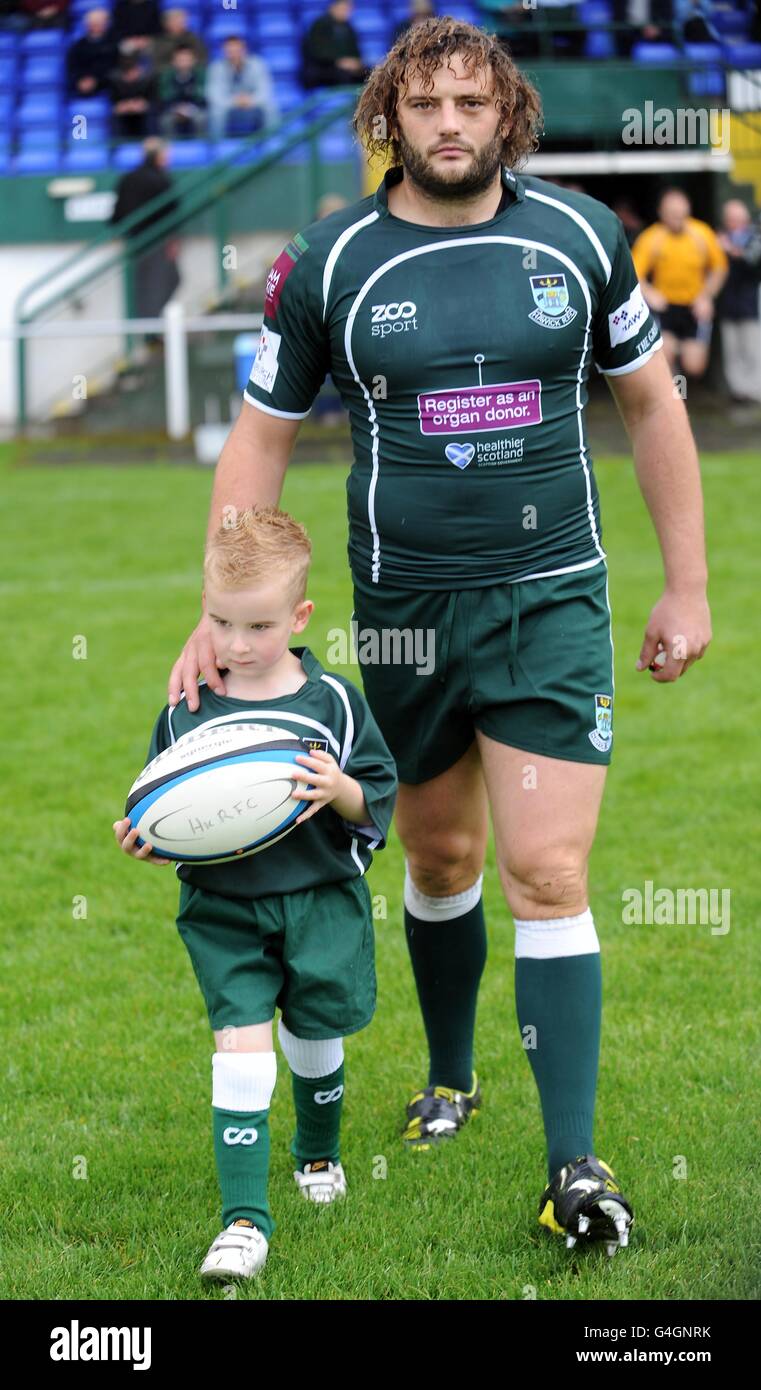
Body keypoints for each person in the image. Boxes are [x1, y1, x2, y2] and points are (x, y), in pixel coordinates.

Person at [168, 16, 712, 1257]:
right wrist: (221, 605)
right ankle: (452, 1074)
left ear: (506, 113)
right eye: (425, 107)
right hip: (404, 613)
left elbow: (650, 407)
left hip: (548, 598)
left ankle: (570, 1160)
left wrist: (683, 588)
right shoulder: (328, 260)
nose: (449, 126)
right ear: (389, 118)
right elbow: (259, 437)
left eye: (471, 103)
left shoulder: (577, 238)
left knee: (548, 872)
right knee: (438, 853)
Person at [113, 506, 397, 1281]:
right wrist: (143, 839)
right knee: (240, 1053)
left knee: (315, 1034)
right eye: (221, 623)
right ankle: (243, 1222)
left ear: (299, 617)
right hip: (223, 910)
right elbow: (160, 811)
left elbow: (375, 793)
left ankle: (316, 1155)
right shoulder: (188, 711)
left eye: (259, 627)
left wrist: (338, 788)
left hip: (319, 898)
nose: (237, 645)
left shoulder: (333, 703)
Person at [632, 188, 728, 379]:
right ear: (661, 213)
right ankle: (676, 396)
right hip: (665, 307)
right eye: (672, 213)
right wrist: (650, 293)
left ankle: (678, 357)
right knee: (666, 358)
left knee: (694, 366)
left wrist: (706, 297)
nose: (677, 217)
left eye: (680, 213)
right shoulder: (652, 237)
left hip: (694, 307)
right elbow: (634, 273)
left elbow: (719, 269)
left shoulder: (702, 233)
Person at [112, 138, 180, 344]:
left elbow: (117, 214)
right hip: (155, 241)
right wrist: (172, 240)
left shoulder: (127, 178)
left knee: (143, 286)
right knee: (162, 283)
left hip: (134, 242)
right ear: (158, 157)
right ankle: (150, 332)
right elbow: (171, 212)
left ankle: (147, 329)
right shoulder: (161, 180)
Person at [717, 199, 761, 407]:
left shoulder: (754, 237)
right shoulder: (719, 237)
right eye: (730, 219)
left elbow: (752, 262)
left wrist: (730, 250)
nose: (733, 223)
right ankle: (738, 390)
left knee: (752, 349)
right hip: (728, 304)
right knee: (732, 349)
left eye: (737, 219)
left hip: (750, 304)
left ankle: (754, 390)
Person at [206, 34, 278, 142]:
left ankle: (273, 145)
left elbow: (266, 90)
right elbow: (214, 95)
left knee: (270, 107)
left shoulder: (257, 64)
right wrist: (235, 101)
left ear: (244, 50)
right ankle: (217, 147)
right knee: (216, 111)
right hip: (229, 106)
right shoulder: (216, 67)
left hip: (252, 104)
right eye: (230, 51)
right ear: (224, 52)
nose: (234, 54)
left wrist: (250, 100)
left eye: (237, 50)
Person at [302, 0, 368, 89]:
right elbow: (318, 53)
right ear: (333, 6)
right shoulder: (319, 25)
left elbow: (356, 52)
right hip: (322, 69)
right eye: (344, 6)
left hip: (345, 68)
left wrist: (355, 63)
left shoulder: (349, 28)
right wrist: (339, 62)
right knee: (343, 75)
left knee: (368, 73)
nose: (347, 10)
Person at [67, 7, 118, 98]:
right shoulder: (78, 46)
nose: (95, 27)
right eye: (92, 24)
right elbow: (73, 67)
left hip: (108, 85)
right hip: (82, 84)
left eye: (98, 24)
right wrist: (81, 80)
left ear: (106, 24)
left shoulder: (114, 44)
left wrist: (96, 80)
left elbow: (114, 66)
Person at [159, 41, 206, 139]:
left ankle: (199, 145)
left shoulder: (200, 74)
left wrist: (190, 108)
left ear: (194, 61)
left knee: (201, 118)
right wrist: (177, 108)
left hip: (195, 108)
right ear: (174, 62)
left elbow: (201, 96)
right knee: (165, 120)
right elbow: (165, 96)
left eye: (187, 60)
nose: (184, 63)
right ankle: (169, 148)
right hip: (174, 109)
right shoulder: (167, 75)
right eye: (180, 60)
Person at [110, 48, 157, 140]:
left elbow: (155, 101)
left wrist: (144, 105)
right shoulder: (115, 81)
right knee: (114, 117)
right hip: (124, 116)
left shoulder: (148, 80)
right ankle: (117, 148)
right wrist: (122, 106)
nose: (131, 75)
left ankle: (149, 144)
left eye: (133, 71)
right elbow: (113, 102)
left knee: (151, 116)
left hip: (143, 115)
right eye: (128, 73)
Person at [151, 5, 206, 70]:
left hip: (192, 73)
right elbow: (157, 63)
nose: (181, 22)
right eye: (176, 20)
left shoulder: (193, 38)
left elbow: (203, 58)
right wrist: (176, 66)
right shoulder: (160, 41)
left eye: (183, 20)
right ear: (167, 23)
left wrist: (188, 64)